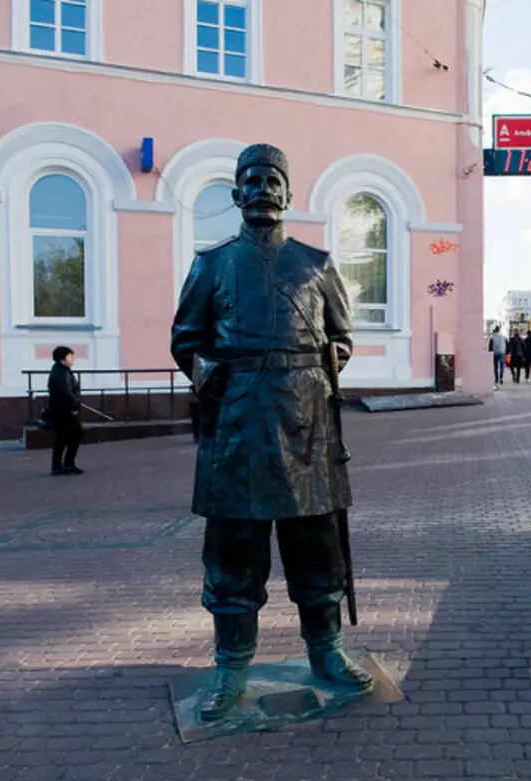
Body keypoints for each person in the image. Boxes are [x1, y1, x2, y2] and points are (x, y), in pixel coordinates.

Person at [171, 143, 371, 722]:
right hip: (238, 428)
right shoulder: (211, 265)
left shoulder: (316, 263)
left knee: (317, 549)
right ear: (236, 194)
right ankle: (230, 668)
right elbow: (187, 339)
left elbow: (343, 335)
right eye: (251, 180)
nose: (262, 188)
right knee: (234, 552)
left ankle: (326, 654)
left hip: (306, 426)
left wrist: (334, 353)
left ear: (287, 192)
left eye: (273, 180)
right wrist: (209, 373)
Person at [47, 346, 84, 475]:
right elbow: (66, 392)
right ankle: (64, 465)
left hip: (62, 409)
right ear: (62, 359)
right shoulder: (60, 373)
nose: (73, 359)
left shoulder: (63, 371)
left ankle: (61, 465)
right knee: (75, 435)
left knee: (63, 438)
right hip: (62, 410)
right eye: (70, 357)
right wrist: (74, 404)